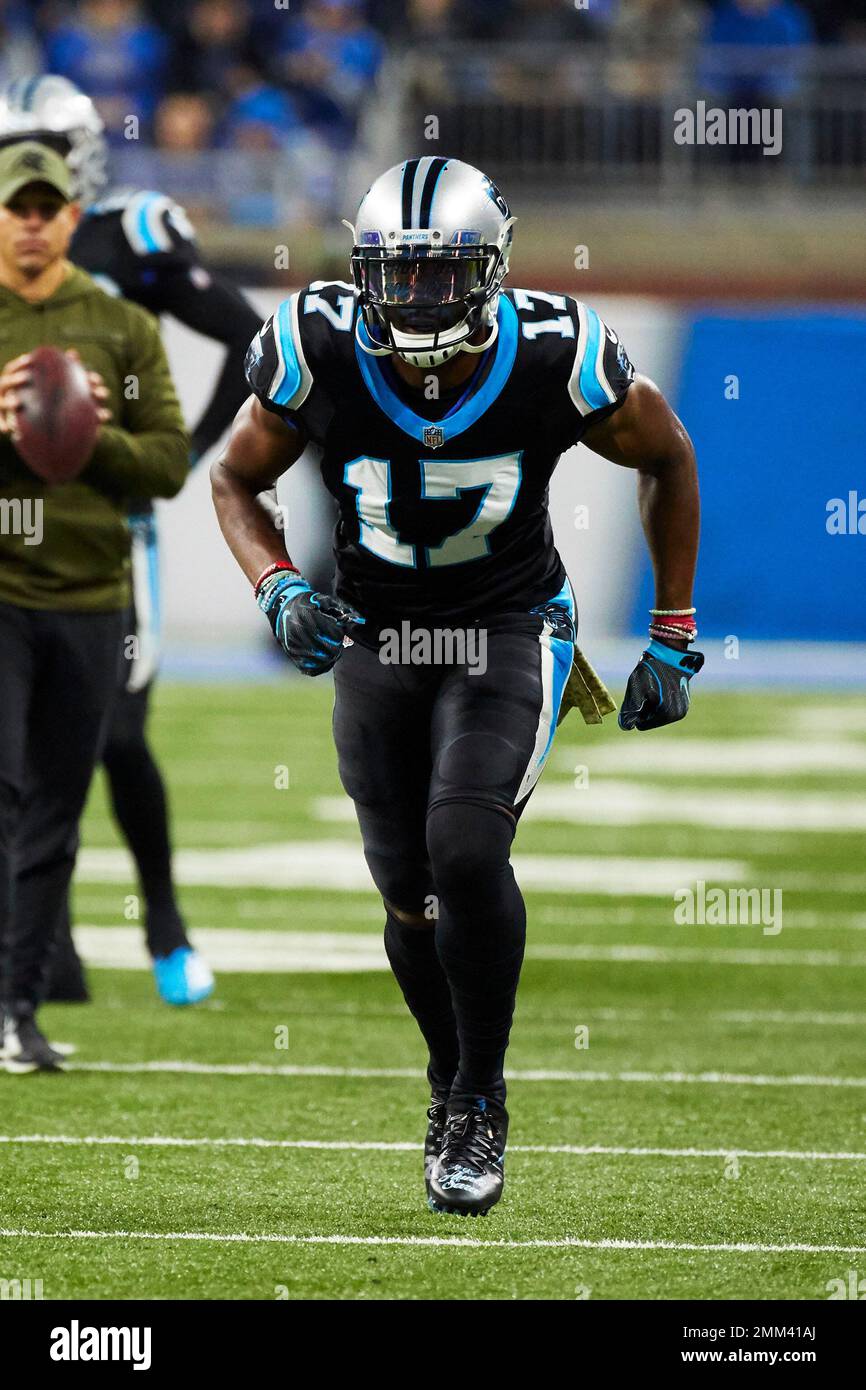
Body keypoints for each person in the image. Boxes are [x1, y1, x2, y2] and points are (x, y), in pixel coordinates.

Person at [211, 157, 703, 1215]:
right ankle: (447, 1079)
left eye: (441, 274)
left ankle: (481, 1096)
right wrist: (276, 584)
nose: (417, 297)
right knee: (406, 893)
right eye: (397, 273)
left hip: (506, 626)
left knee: (465, 844)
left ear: (490, 270)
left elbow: (665, 453)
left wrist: (669, 631)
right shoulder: (314, 343)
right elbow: (234, 475)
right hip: (377, 635)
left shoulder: (554, 351)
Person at [0, 74, 264, 1005]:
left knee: (112, 733)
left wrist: (185, 453)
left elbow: (251, 337)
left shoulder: (131, 239)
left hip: (109, 526)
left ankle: (162, 921)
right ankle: (44, 948)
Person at [0, 140, 188, 1070]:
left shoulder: (120, 324)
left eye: (48, 207)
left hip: (89, 598)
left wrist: (92, 434)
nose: (32, 222)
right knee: (4, 793)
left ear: (74, 215)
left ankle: (17, 1011)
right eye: (17, 207)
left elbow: (166, 465)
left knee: (55, 817)